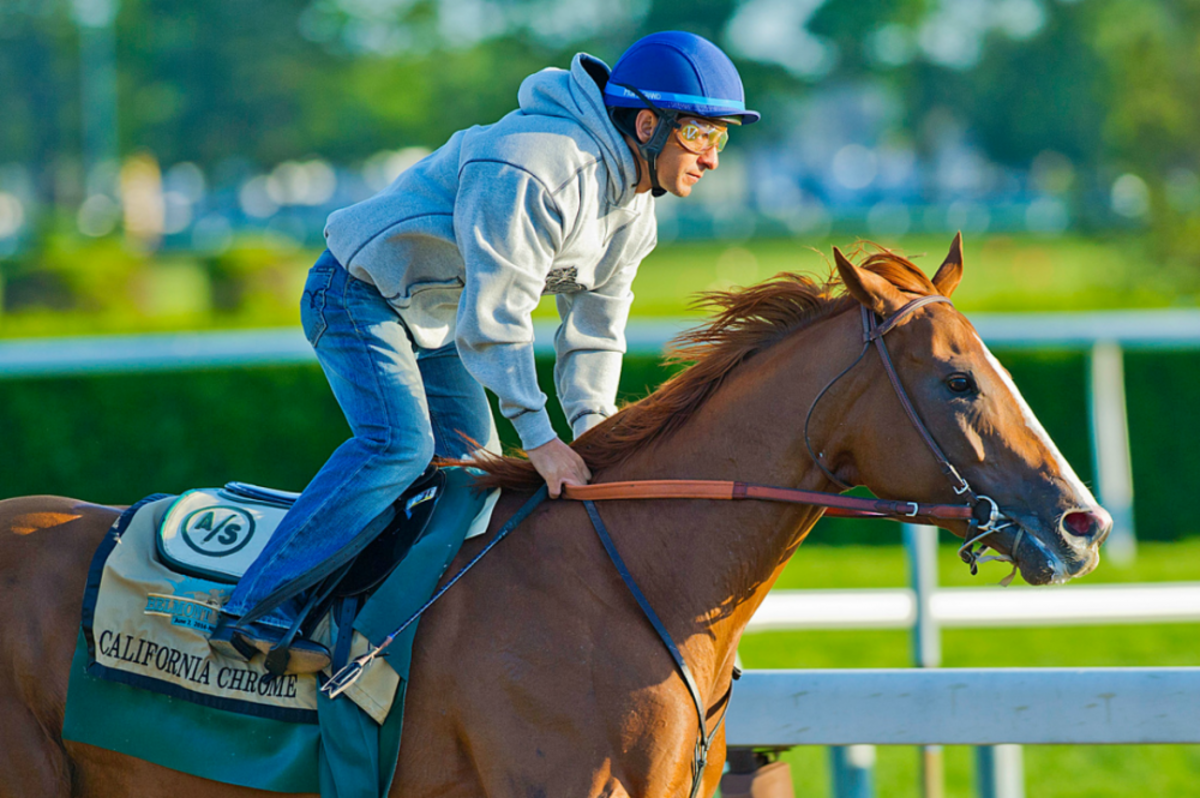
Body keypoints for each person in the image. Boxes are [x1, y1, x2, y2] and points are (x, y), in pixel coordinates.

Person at [210, 30, 760, 674]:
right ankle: (254, 610)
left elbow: (595, 333)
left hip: (437, 319)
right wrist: (539, 434)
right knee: (399, 446)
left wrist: (595, 439)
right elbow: (497, 318)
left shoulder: (634, 211)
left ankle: (377, 624)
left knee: (474, 475)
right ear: (647, 123)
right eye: (702, 135)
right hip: (357, 292)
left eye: (721, 138)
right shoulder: (535, 166)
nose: (712, 158)